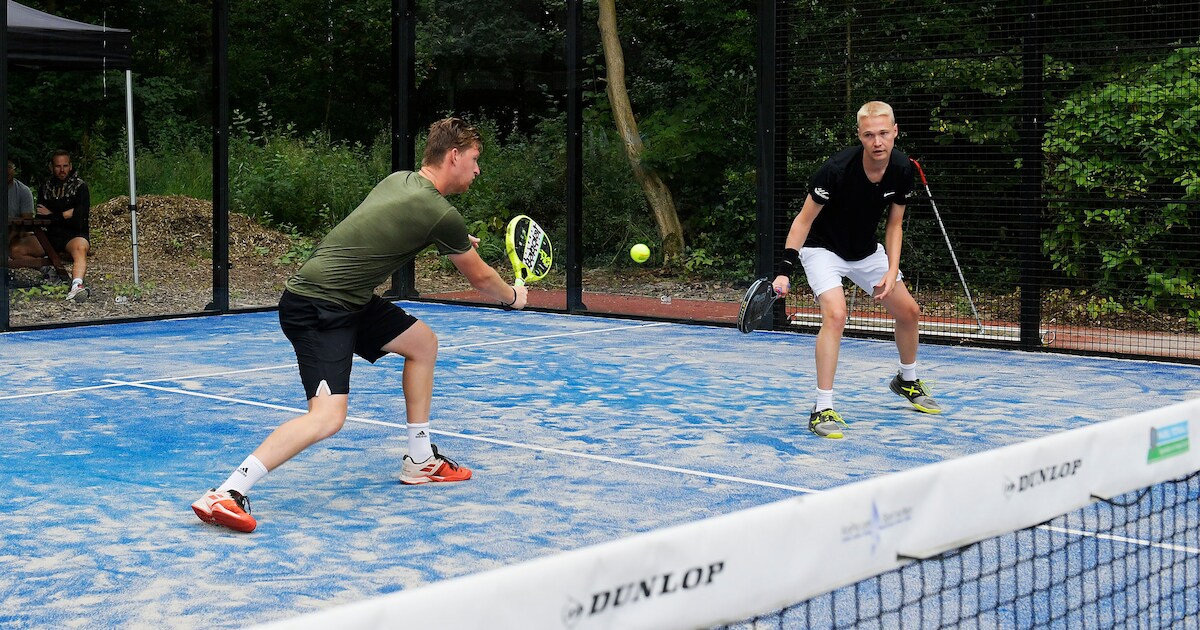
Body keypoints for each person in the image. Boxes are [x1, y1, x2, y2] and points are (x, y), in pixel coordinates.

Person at [192, 117, 528, 533]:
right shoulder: (440, 213)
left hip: (348, 300)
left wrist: (453, 237)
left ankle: (421, 460)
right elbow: (480, 279)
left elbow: (391, 225)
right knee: (327, 418)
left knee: (422, 344)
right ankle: (227, 492)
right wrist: (513, 297)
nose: (478, 170)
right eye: (475, 159)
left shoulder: (402, 181)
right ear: (454, 156)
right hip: (318, 306)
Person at [772, 101, 941, 440]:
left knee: (909, 312)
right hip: (823, 249)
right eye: (869, 135)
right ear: (860, 137)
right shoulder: (834, 170)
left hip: (865, 251)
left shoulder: (902, 168)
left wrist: (892, 269)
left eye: (883, 134)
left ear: (894, 132)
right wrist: (785, 271)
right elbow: (803, 221)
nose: (877, 142)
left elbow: (895, 225)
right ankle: (822, 408)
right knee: (836, 314)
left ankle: (906, 380)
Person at [33, 151, 91, 301]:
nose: (62, 170)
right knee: (16, 248)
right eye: (58, 166)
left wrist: (52, 214)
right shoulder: (45, 187)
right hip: (49, 235)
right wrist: (65, 214)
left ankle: (77, 285)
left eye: (65, 166)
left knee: (81, 248)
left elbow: (80, 216)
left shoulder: (80, 187)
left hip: (73, 234)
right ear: (52, 167)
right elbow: (40, 216)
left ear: (70, 166)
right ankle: (48, 270)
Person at [6, 160, 36, 255]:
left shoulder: (23, 191)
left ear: (14, 170)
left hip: (16, 232)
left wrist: (9, 237)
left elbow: (27, 220)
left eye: (9, 167)